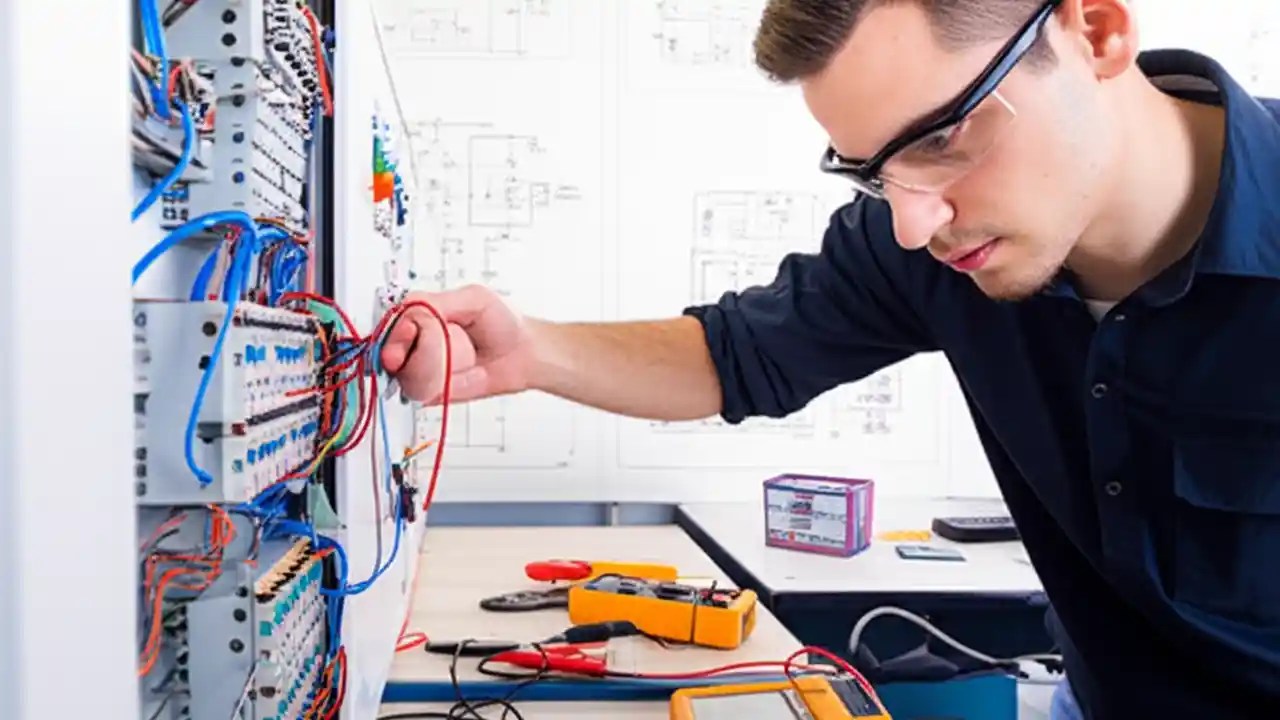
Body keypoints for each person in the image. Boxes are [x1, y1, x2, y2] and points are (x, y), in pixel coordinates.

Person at [381, 0, 1280, 717]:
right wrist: (528, 352)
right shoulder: (932, 247)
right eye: (873, 174)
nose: (914, 222)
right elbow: (734, 356)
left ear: (1096, 30)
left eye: (942, 139)